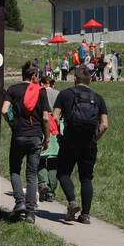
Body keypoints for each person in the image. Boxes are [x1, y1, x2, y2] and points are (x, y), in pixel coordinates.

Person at [51, 66, 108, 224]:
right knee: (86, 178)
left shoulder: (65, 94)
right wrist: (95, 139)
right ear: (90, 81)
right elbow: (104, 125)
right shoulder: (98, 98)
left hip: (69, 140)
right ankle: (86, 215)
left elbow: (55, 117)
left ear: (75, 79)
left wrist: (59, 135)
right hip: (89, 143)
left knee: (62, 172)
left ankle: (72, 202)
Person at [3, 62, 55, 223]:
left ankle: (19, 203)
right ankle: (31, 213)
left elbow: (4, 110)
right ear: (34, 76)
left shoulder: (12, 89)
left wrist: (12, 124)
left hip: (18, 135)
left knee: (14, 171)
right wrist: (46, 138)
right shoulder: (41, 91)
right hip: (35, 137)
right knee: (32, 174)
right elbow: (46, 118)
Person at [38, 73, 62, 203]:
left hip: (42, 127)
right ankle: (51, 191)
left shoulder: (39, 93)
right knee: (53, 162)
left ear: (41, 83)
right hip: (56, 129)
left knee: (40, 160)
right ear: (51, 83)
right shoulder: (58, 94)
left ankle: (43, 184)